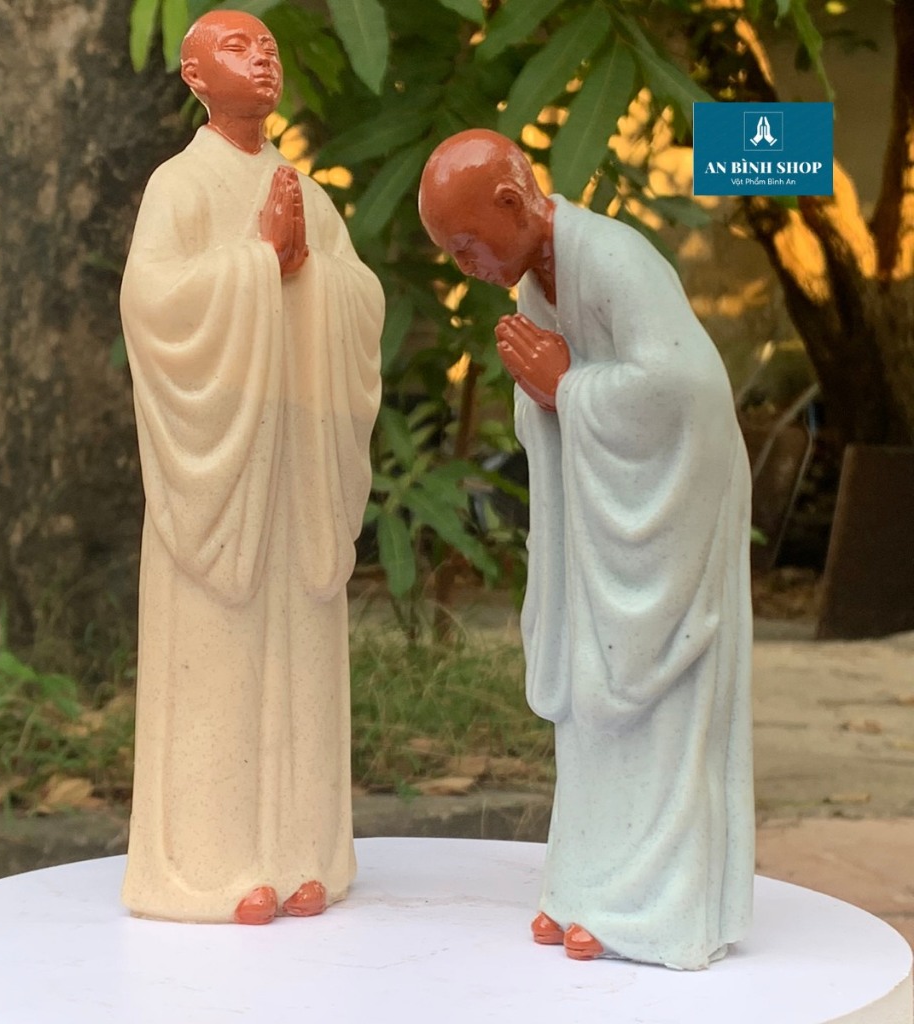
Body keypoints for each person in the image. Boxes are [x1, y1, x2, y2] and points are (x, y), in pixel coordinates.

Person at [418, 130, 754, 970]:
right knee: (594, 702)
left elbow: (686, 388)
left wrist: (568, 386)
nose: (464, 266)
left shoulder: (613, 258)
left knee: (662, 718)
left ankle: (656, 910)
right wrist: (551, 395)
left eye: (466, 246)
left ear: (511, 203)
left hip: (671, 520)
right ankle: (584, 891)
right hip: (609, 533)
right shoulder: (538, 280)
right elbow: (553, 393)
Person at [119, 10, 383, 925]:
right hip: (222, 472)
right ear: (194, 77)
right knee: (217, 669)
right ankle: (215, 867)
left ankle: (302, 852)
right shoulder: (178, 185)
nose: (262, 54)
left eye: (267, 44)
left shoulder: (306, 191)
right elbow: (151, 302)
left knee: (300, 660)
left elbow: (361, 298)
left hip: (293, 472)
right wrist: (255, 263)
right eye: (237, 45)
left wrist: (309, 275)